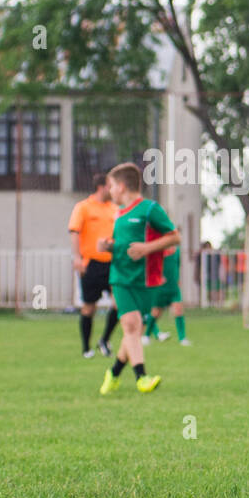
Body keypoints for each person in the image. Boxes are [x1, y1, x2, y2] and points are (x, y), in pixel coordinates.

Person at [97, 164, 180, 394]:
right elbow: (121, 245)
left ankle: (113, 373)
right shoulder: (119, 215)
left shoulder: (150, 209)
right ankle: (142, 378)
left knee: (131, 332)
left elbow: (175, 238)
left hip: (145, 281)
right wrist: (107, 246)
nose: (110, 191)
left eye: (111, 186)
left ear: (122, 186)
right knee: (132, 325)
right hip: (120, 278)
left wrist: (147, 248)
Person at [67, 172, 120, 358]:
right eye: (110, 185)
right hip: (91, 264)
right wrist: (77, 258)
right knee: (89, 307)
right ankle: (86, 348)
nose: (112, 189)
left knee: (119, 302)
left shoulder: (115, 209)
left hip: (112, 263)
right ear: (101, 187)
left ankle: (104, 339)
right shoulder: (83, 207)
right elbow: (74, 231)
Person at [145, 244, 190, 346]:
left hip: (173, 286)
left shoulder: (177, 251)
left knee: (178, 309)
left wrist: (177, 279)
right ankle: (146, 335)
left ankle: (182, 338)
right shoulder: (157, 250)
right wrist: (157, 278)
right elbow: (151, 266)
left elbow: (177, 266)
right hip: (160, 287)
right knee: (156, 313)